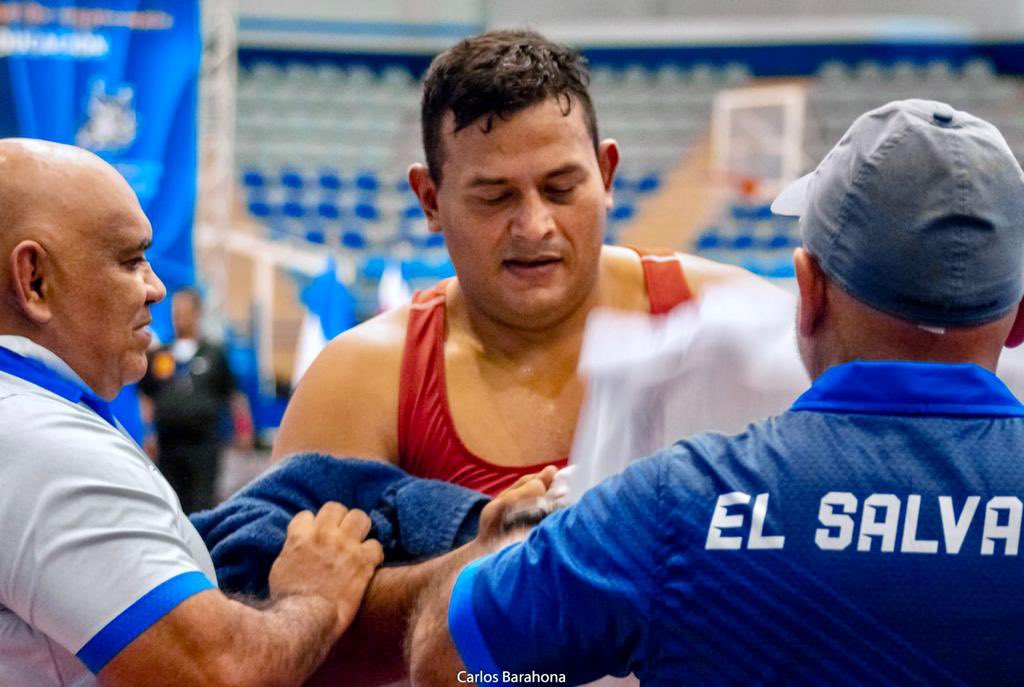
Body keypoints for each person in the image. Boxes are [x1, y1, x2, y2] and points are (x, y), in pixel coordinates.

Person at [406, 100, 1024, 685]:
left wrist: (515, 538)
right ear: (1019, 318)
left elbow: (452, 666)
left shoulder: (671, 502)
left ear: (806, 294)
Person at [272, 29, 759, 496]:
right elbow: (289, 578)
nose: (534, 226)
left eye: (561, 189)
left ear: (606, 175)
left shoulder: (730, 320)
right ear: (430, 201)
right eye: (495, 197)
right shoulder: (359, 383)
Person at [0, 138, 387, 686]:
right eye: (130, 260)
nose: (155, 288)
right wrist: (314, 595)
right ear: (35, 280)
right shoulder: (45, 449)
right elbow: (219, 674)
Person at [138, 286, 253, 513]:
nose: (179, 316)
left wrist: (244, 429)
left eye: (184, 310)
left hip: (203, 445)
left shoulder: (214, 353)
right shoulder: (161, 354)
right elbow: (147, 394)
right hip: (168, 444)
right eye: (175, 311)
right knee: (171, 504)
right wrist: (148, 430)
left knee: (202, 503)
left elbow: (233, 395)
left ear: (197, 312)